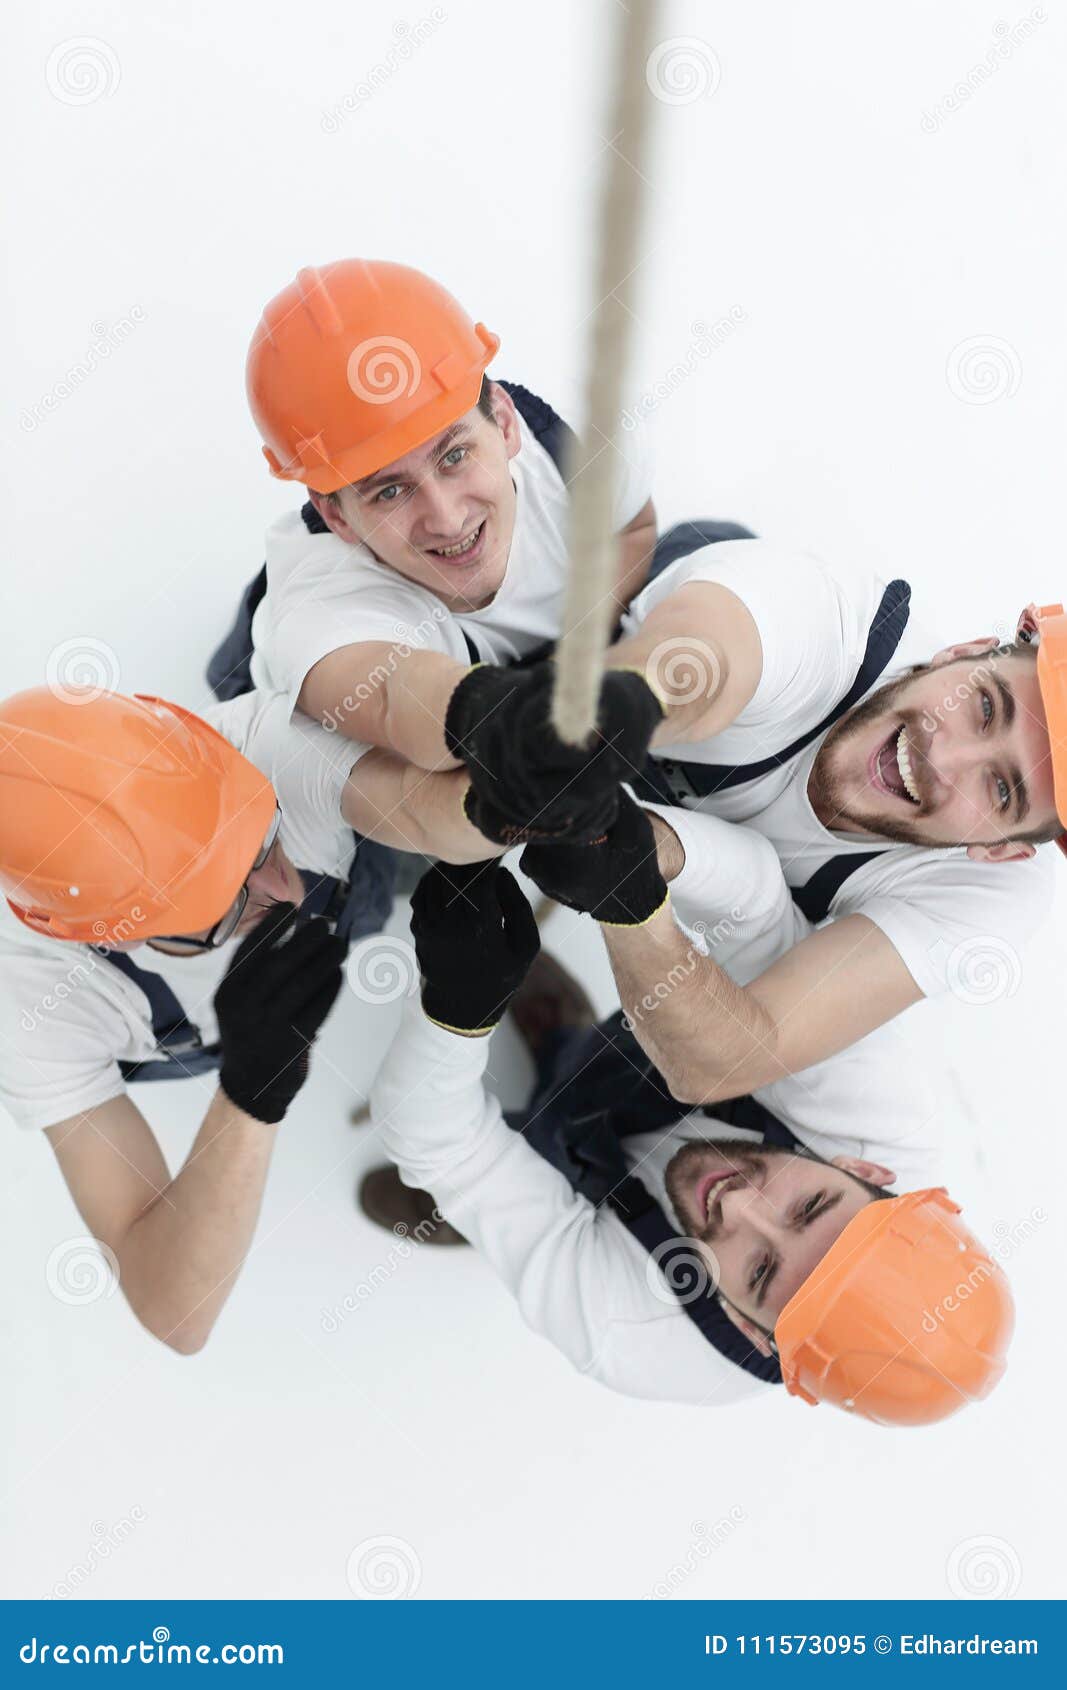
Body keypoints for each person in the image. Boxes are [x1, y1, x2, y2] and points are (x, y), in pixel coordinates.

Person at [369, 855, 1014, 1426]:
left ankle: (470, 1217)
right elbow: (760, 916)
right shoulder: (879, 1106)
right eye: (809, 1206)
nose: (736, 1204)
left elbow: (446, 1148)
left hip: (588, 1209)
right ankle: (564, 1043)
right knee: (596, 1063)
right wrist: (640, 854)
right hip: (639, 1064)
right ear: (865, 1170)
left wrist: (455, 1012)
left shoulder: (631, 1330)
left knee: (488, 1178)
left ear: (746, 1330)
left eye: (761, 1271)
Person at [444, 553, 1067, 1098]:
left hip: (696, 852)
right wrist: (625, 706)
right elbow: (702, 659)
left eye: (1001, 788)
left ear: (1004, 852)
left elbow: (721, 1065)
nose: (944, 759)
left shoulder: (990, 901)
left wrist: (629, 901)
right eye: (985, 708)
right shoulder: (830, 620)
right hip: (630, 637)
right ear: (963, 652)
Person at [0, 681, 464, 1351]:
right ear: (104, 937)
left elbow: (440, 810)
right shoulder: (29, 1004)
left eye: (264, 839)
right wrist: (253, 1092)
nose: (288, 891)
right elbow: (174, 1312)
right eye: (224, 908)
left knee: (386, 863)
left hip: (357, 857)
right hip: (213, 1044)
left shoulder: (266, 742)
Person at [205, 257, 658, 923]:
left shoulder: (570, 449)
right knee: (371, 868)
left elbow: (635, 528)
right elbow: (390, 700)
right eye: (389, 490)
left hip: (506, 668)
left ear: (504, 423)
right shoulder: (316, 609)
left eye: (453, 456)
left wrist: (579, 658)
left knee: (708, 543)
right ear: (335, 515)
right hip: (337, 712)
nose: (446, 518)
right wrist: (511, 724)